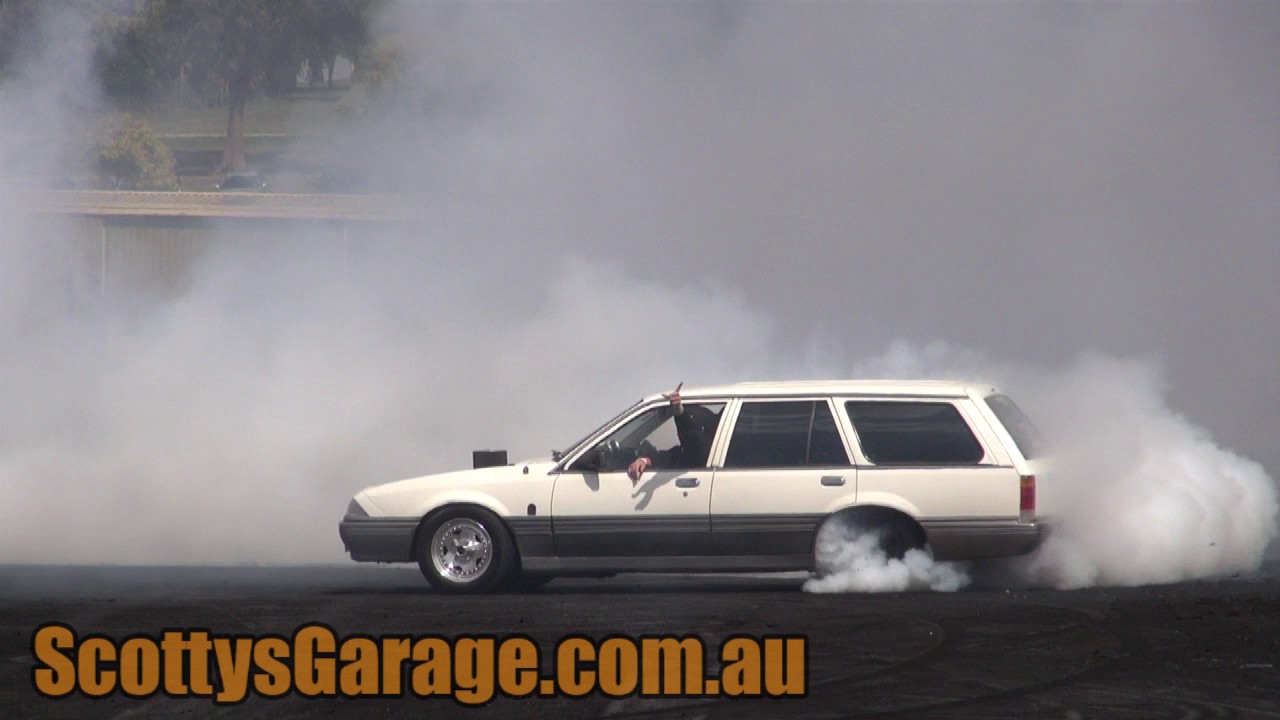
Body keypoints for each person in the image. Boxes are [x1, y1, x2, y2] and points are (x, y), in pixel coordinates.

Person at [626, 382, 716, 485]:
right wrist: (644, 460)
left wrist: (680, 413)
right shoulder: (690, 455)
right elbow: (670, 458)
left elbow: (694, 446)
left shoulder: (705, 454)